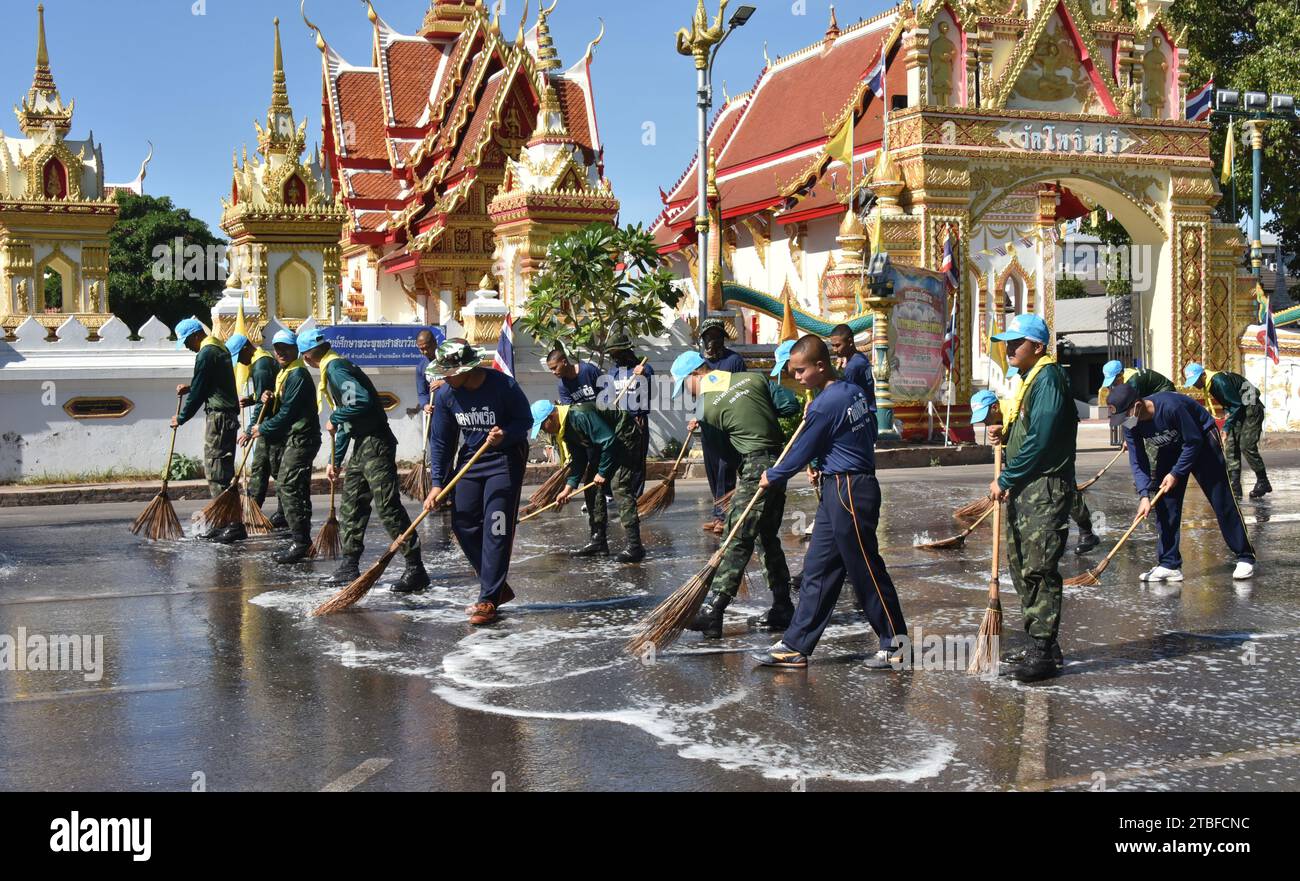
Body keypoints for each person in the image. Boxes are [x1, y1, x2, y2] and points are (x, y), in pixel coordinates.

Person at [752, 335, 908, 670]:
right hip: (838, 486)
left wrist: (775, 474)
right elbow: (842, 437)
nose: (796, 377)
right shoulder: (849, 391)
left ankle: (896, 645)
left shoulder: (826, 404)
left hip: (850, 489)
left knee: (866, 570)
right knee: (818, 569)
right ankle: (796, 644)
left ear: (821, 366)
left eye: (800, 370)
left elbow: (801, 449)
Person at [671, 351, 802, 637]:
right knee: (766, 536)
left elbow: (726, 457)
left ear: (696, 375)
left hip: (755, 468)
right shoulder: (753, 378)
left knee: (738, 535)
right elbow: (790, 405)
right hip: (778, 466)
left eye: (684, 385)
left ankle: (713, 610)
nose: (687, 392)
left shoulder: (706, 408)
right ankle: (782, 606)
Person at [298, 328, 429, 594]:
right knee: (352, 505)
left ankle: (415, 568)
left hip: (375, 442)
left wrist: (335, 418)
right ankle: (349, 563)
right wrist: (336, 460)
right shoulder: (332, 368)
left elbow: (361, 402)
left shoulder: (336, 369)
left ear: (308, 356)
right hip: (362, 443)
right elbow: (347, 420)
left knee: (387, 507)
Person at [986, 314, 1079, 682]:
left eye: (1016, 342)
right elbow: (1027, 433)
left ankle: (1042, 650)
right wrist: (1003, 433)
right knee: (1021, 565)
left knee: (1039, 568)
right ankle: (1042, 643)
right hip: (1025, 487)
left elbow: (1041, 441)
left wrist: (1007, 476)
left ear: (1038, 347)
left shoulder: (1050, 380)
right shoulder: (1029, 380)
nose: (1009, 348)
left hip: (1044, 486)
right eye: (1008, 342)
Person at [425, 340, 532, 626]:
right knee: (463, 524)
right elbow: (441, 442)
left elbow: (525, 421)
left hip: (505, 459)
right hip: (472, 461)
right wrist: (437, 483)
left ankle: (488, 598)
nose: (445, 378)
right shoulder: (448, 394)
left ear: (468, 368)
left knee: (496, 525)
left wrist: (505, 434)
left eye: (450, 372)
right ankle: (495, 584)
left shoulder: (503, 386)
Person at [1106, 382, 1256, 582]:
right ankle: (1169, 564)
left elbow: (1193, 441)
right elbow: (1137, 458)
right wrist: (1143, 495)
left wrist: (1176, 473)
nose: (1123, 421)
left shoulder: (1171, 407)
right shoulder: (1130, 424)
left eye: (1124, 415)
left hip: (1202, 441)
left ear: (1137, 406)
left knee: (1221, 499)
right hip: (1170, 447)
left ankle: (1245, 556)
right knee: (1165, 505)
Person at [969, 390, 1098, 556]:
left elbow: (1030, 442)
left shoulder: (1016, 411)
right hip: (1028, 466)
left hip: (1053, 458)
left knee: (1066, 493)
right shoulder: (1000, 419)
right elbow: (1012, 453)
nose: (986, 423)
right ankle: (1050, 537)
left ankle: (1086, 532)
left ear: (994, 407)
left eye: (985, 417)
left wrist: (1006, 433)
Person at [533, 398, 645, 564]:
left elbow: (610, 441)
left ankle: (635, 546)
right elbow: (579, 460)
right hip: (608, 441)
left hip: (624, 435)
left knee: (618, 485)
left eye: (543, 426)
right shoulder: (566, 428)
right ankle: (598, 541)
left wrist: (603, 472)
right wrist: (568, 488)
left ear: (551, 417)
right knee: (591, 487)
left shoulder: (579, 416)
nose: (545, 431)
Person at [248, 330, 320, 564]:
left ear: (296, 349)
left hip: (302, 436)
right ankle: (301, 537)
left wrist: (263, 428)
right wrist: (267, 397)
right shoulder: (285, 373)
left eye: (286, 347)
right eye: (277, 347)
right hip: (294, 436)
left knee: (289, 486)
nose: (280, 352)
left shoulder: (297, 374)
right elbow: (283, 405)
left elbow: (289, 412)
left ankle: (301, 541)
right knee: (294, 485)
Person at [172, 317, 240, 540]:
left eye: (186, 342)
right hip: (225, 415)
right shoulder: (218, 347)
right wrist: (191, 387)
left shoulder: (206, 352)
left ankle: (229, 523)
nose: (187, 347)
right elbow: (211, 382)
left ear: (195, 336)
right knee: (223, 471)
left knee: (216, 471)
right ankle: (228, 521)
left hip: (219, 417)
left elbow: (201, 392)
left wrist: (181, 418)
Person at [1184, 363, 1271, 499]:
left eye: (1196, 381)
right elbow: (1232, 405)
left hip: (1251, 409)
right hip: (1239, 410)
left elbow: (1236, 405)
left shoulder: (1218, 381)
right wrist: (1227, 422)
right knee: (1230, 446)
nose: (1195, 385)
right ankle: (1235, 488)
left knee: (1246, 445)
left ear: (1203, 375)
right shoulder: (1210, 383)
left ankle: (1263, 481)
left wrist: (1225, 427)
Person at [230, 334, 287, 531]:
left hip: (270, 427)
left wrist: (249, 430)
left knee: (262, 471)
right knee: (271, 470)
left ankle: (256, 512)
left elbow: (263, 407)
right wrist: (252, 398)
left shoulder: (261, 366)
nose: (240, 362)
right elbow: (266, 395)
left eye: (239, 356)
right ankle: (278, 512)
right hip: (270, 425)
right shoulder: (264, 359)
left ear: (247, 348)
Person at [699, 318, 747, 534]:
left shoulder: (734, 360)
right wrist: (695, 415)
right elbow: (695, 392)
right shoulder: (699, 362)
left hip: (728, 424)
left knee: (725, 471)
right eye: (709, 336)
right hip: (707, 424)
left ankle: (724, 516)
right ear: (703, 338)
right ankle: (718, 512)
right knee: (712, 471)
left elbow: (742, 388)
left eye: (717, 336)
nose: (713, 340)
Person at [604, 334, 653, 498]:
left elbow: (649, 387)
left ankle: (636, 497)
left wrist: (643, 374)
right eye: (612, 354)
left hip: (636, 421)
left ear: (626, 351)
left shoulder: (642, 369)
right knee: (618, 459)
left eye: (617, 353)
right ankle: (620, 494)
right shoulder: (612, 372)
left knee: (637, 462)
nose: (614, 357)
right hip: (618, 423)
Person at [415, 328, 453, 506]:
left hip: (452, 411)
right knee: (437, 451)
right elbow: (422, 391)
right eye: (421, 348)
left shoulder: (446, 360)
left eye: (427, 347)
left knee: (449, 451)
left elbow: (461, 374)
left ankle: (450, 489)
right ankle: (440, 489)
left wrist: (444, 381)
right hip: (434, 413)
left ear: (435, 344)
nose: (424, 352)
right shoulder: (421, 366)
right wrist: (424, 404)